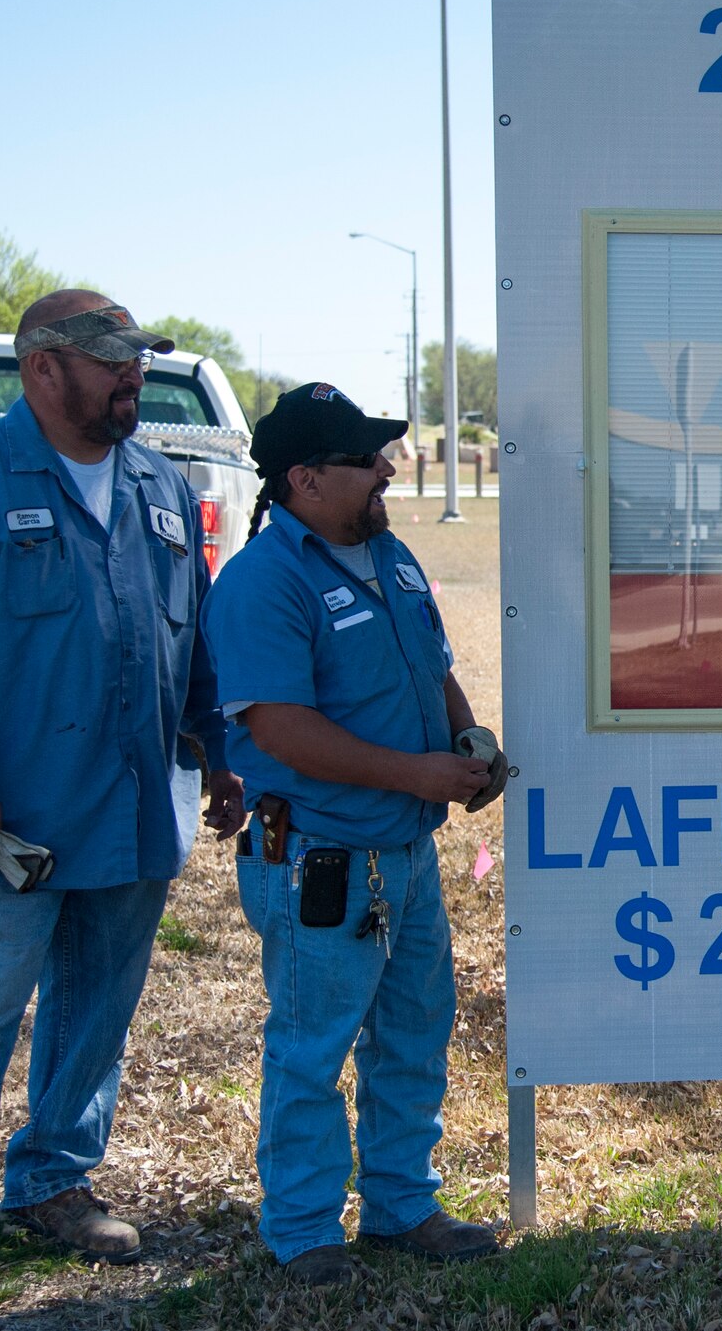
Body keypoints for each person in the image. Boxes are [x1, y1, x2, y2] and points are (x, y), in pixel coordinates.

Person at [0, 290, 244, 1331]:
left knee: (98, 1005)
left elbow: (194, 636)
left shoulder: (161, 485)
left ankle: (52, 1179)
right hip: (13, 813)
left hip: (134, 802)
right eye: (111, 359)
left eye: (136, 359)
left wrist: (220, 751)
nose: (132, 376)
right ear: (43, 367)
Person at [202, 382, 509, 1285]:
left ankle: (401, 1203)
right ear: (304, 479)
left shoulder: (396, 556)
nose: (385, 469)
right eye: (363, 458)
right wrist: (420, 775)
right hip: (319, 861)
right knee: (313, 1045)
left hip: (407, 855)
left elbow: (436, 666)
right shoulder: (264, 580)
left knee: (414, 1032)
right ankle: (302, 1226)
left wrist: (465, 741)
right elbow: (279, 730)